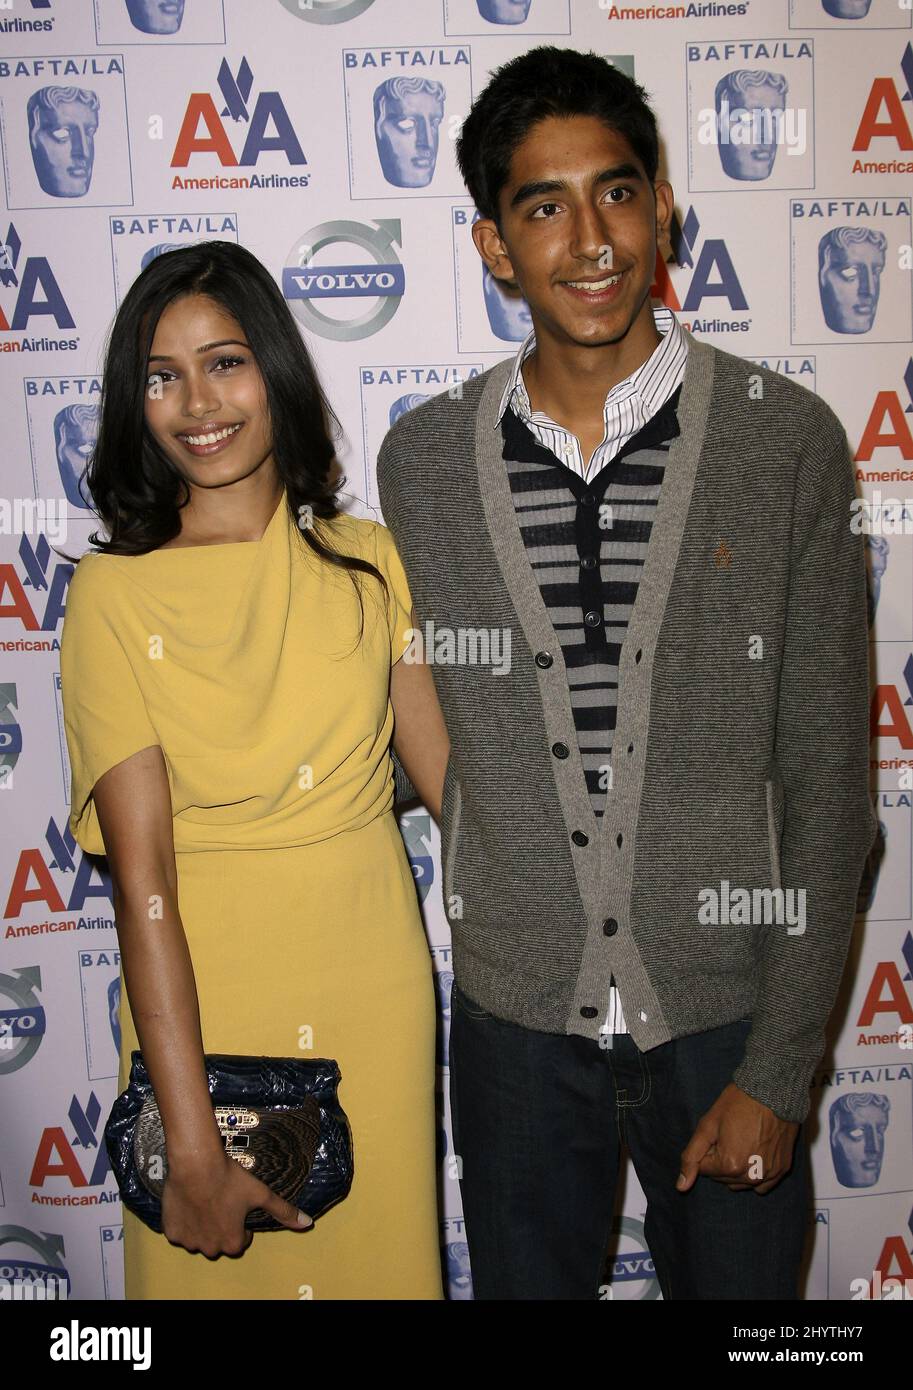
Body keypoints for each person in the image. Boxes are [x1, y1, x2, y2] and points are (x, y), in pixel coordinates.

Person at [378, 47, 877, 1300]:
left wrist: (778, 1071)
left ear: (662, 207)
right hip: (512, 1025)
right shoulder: (426, 464)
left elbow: (829, 788)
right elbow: (423, 697)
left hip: (725, 1014)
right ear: (494, 245)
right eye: (542, 206)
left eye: (615, 193)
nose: (588, 238)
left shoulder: (785, 442)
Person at [60, 241, 450, 1300]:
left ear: (274, 369)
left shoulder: (370, 560)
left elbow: (462, 799)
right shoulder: (111, 596)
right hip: (204, 1014)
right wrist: (189, 1138)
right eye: (161, 374)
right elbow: (142, 889)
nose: (198, 401)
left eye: (224, 361)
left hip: (371, 995)